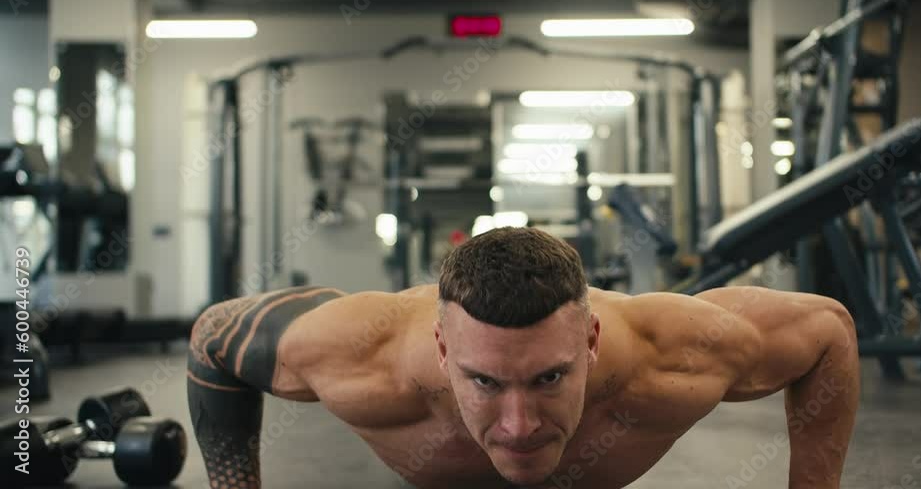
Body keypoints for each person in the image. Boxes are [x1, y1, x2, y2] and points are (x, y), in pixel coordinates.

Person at [187, 227, 859, 489]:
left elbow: (827, 329)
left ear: (591, 342)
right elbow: (215, 336)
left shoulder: (673, 352)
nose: (518, 424)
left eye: (549, 377)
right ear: (444, 349)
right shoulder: (363, 357)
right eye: (484, 381)